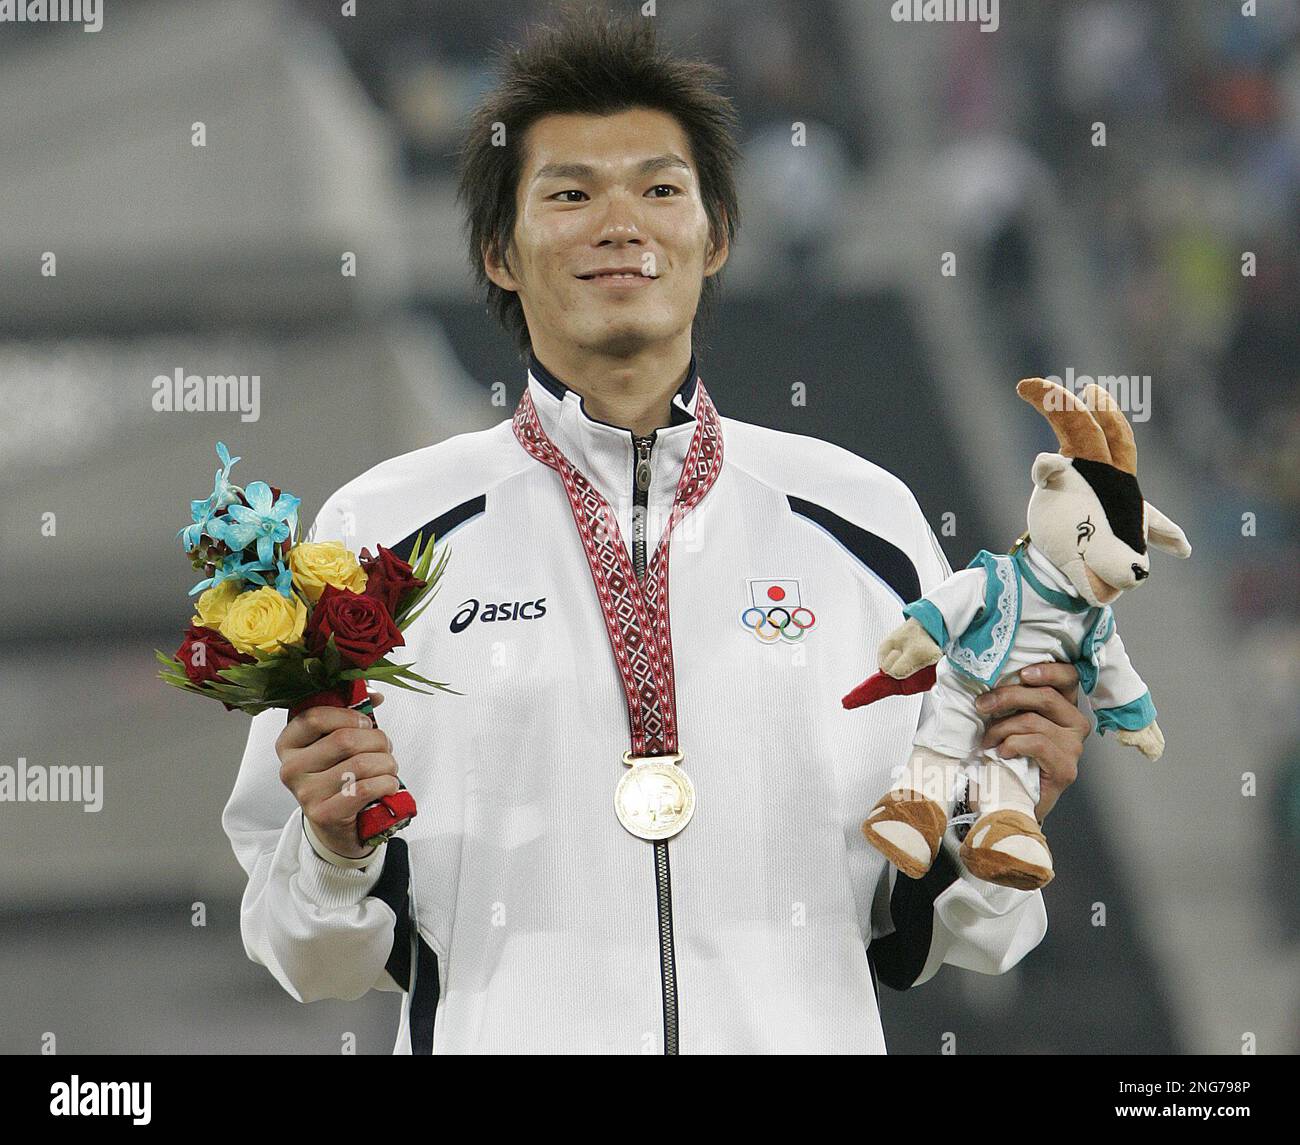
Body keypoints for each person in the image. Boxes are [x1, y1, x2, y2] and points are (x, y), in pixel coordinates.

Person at [222, 10, 1091, 1054]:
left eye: (659, 188)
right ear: (498, 251)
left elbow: (940, 935)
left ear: (715, 234)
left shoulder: (862, 521)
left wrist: (1005, 805)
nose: (619, 222)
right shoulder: (380, 535)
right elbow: (306, 950)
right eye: (571, 193)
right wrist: (329, 843)